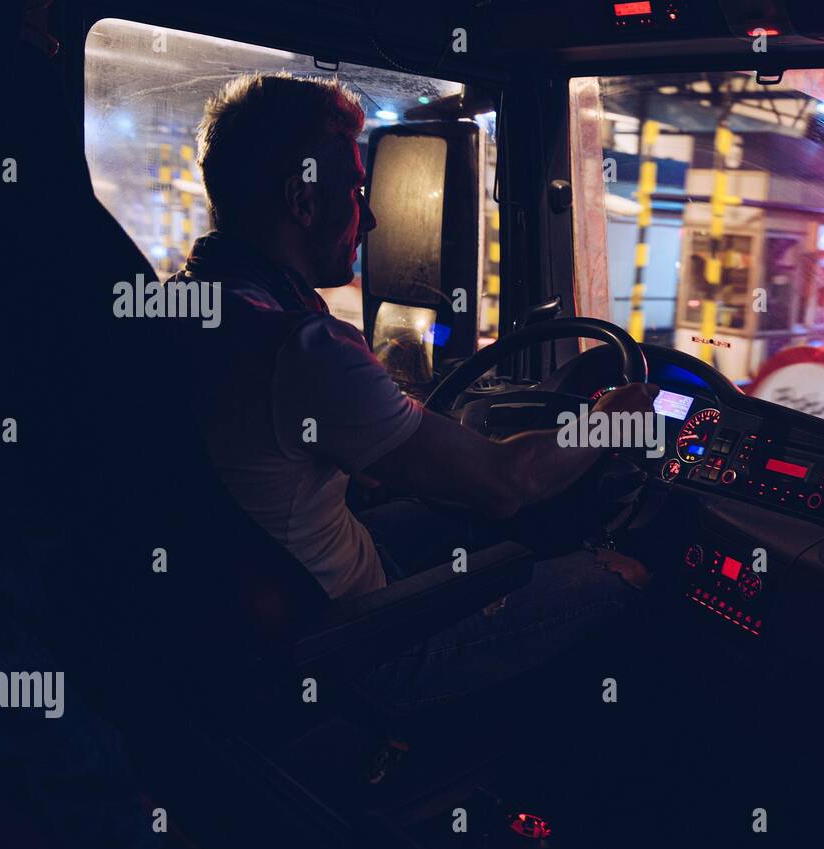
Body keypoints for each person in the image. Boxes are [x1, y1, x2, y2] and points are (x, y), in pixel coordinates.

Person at [171, 73, 657, 710]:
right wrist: (609, 422)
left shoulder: (183, 305)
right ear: (302, 200)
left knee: (450, 520)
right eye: (356, 191)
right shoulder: (300, 347)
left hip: (241, 615)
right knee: (620, 576)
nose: (370, 217)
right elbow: (510, 482)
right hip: (349, 646)